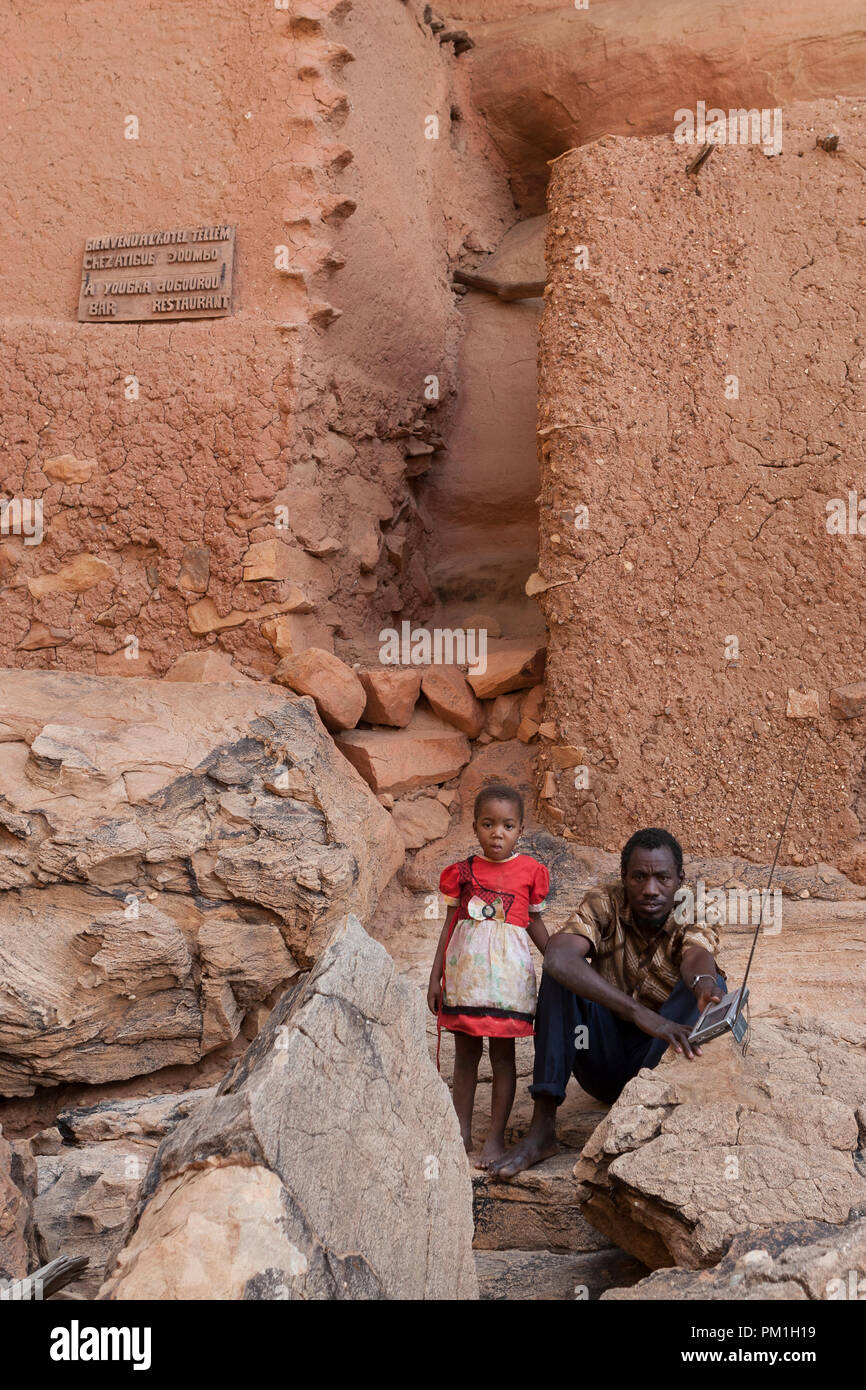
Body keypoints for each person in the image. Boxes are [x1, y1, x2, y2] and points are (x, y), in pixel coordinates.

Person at [489, 826, 726, 1179]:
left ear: (679, 879)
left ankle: (652, 1118)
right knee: (562, 970)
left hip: (658, 1061)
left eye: (662, 878)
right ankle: (542, 1130)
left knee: (712, 983)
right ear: (623, 877)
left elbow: (697, 955)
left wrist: (705, 984)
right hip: (599, 1058)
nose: (650, 889)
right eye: (639, 877)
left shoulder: (695, 909)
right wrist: (639, 1013)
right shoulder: (604, 902)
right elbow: (557, 957)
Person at [427, 783, 550, 1168]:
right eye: (488, 824)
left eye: (508, 826)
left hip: (508, 984)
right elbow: (449, 926)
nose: (498, 833)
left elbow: (534, 923)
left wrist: (560, 962)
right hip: (466, 978)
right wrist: (435, 978)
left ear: (520, 830)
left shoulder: (530, 871)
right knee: (465, 1056)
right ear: (476, 827)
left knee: (502, 1058)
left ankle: (494, 1137)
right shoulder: (462, 873)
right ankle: (460, 1129)